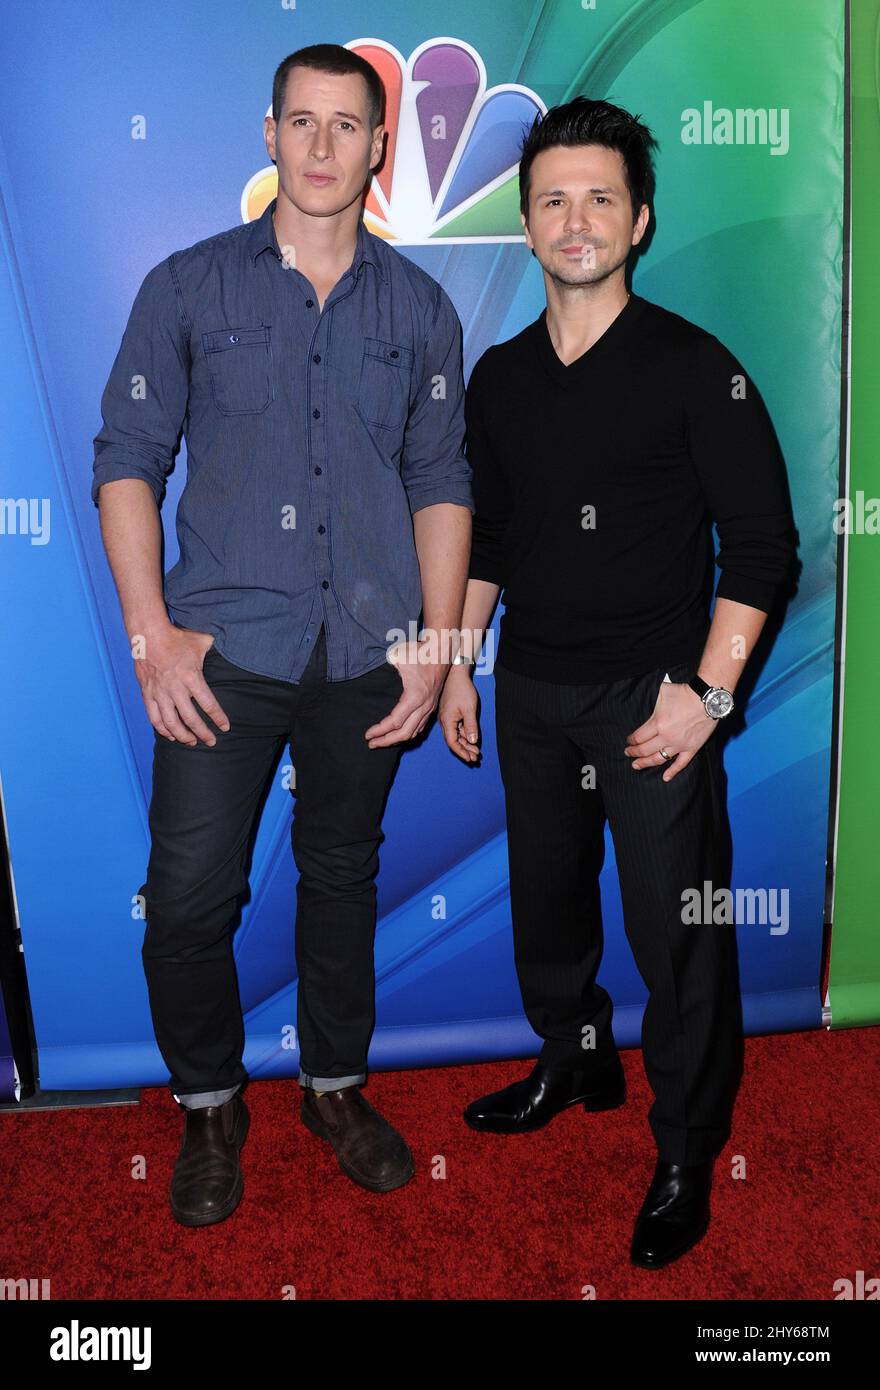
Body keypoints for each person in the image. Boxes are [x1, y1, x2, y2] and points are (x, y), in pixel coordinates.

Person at [92, 43, 474, 1226]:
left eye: (345, 126)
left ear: (377, 148)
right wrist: (153, 634)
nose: (320, 147)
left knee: (341, 879)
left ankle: (335, 1086)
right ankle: (209, 1101)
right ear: (268, 136)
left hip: (366, 653)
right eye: (299, 123)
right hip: (225, 651)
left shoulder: (418, 307)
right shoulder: (187, 287)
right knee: (191, 897)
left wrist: (440, 640)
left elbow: (440, 475)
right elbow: (126, 462)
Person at [438, 96, 797, 1269]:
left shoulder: (698, 368)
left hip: (654, 703)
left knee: (679, 935)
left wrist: (707, 697)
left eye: (599, 197)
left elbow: (761, 550)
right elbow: (489, 536)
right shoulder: (496, 377)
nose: (574, 218)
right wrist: (456, 662)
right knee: (549, 912)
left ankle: (688, 1144)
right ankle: (572, 1054)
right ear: (527, 225)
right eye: (551, 199)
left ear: (638, 220)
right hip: (530, 688)